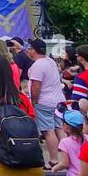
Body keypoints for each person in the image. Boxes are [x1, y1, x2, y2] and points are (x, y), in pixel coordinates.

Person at [25, 38, 62, 166]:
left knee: (48, 131)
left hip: (45, 101)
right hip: (58, 100)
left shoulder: (38, 65)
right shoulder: (50, 61)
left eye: (29, 48)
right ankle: (67, 157)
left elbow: (36, 86)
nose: (28, 50)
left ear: (34, 51)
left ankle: (54, 160)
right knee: (59, 128)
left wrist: (34, 101)